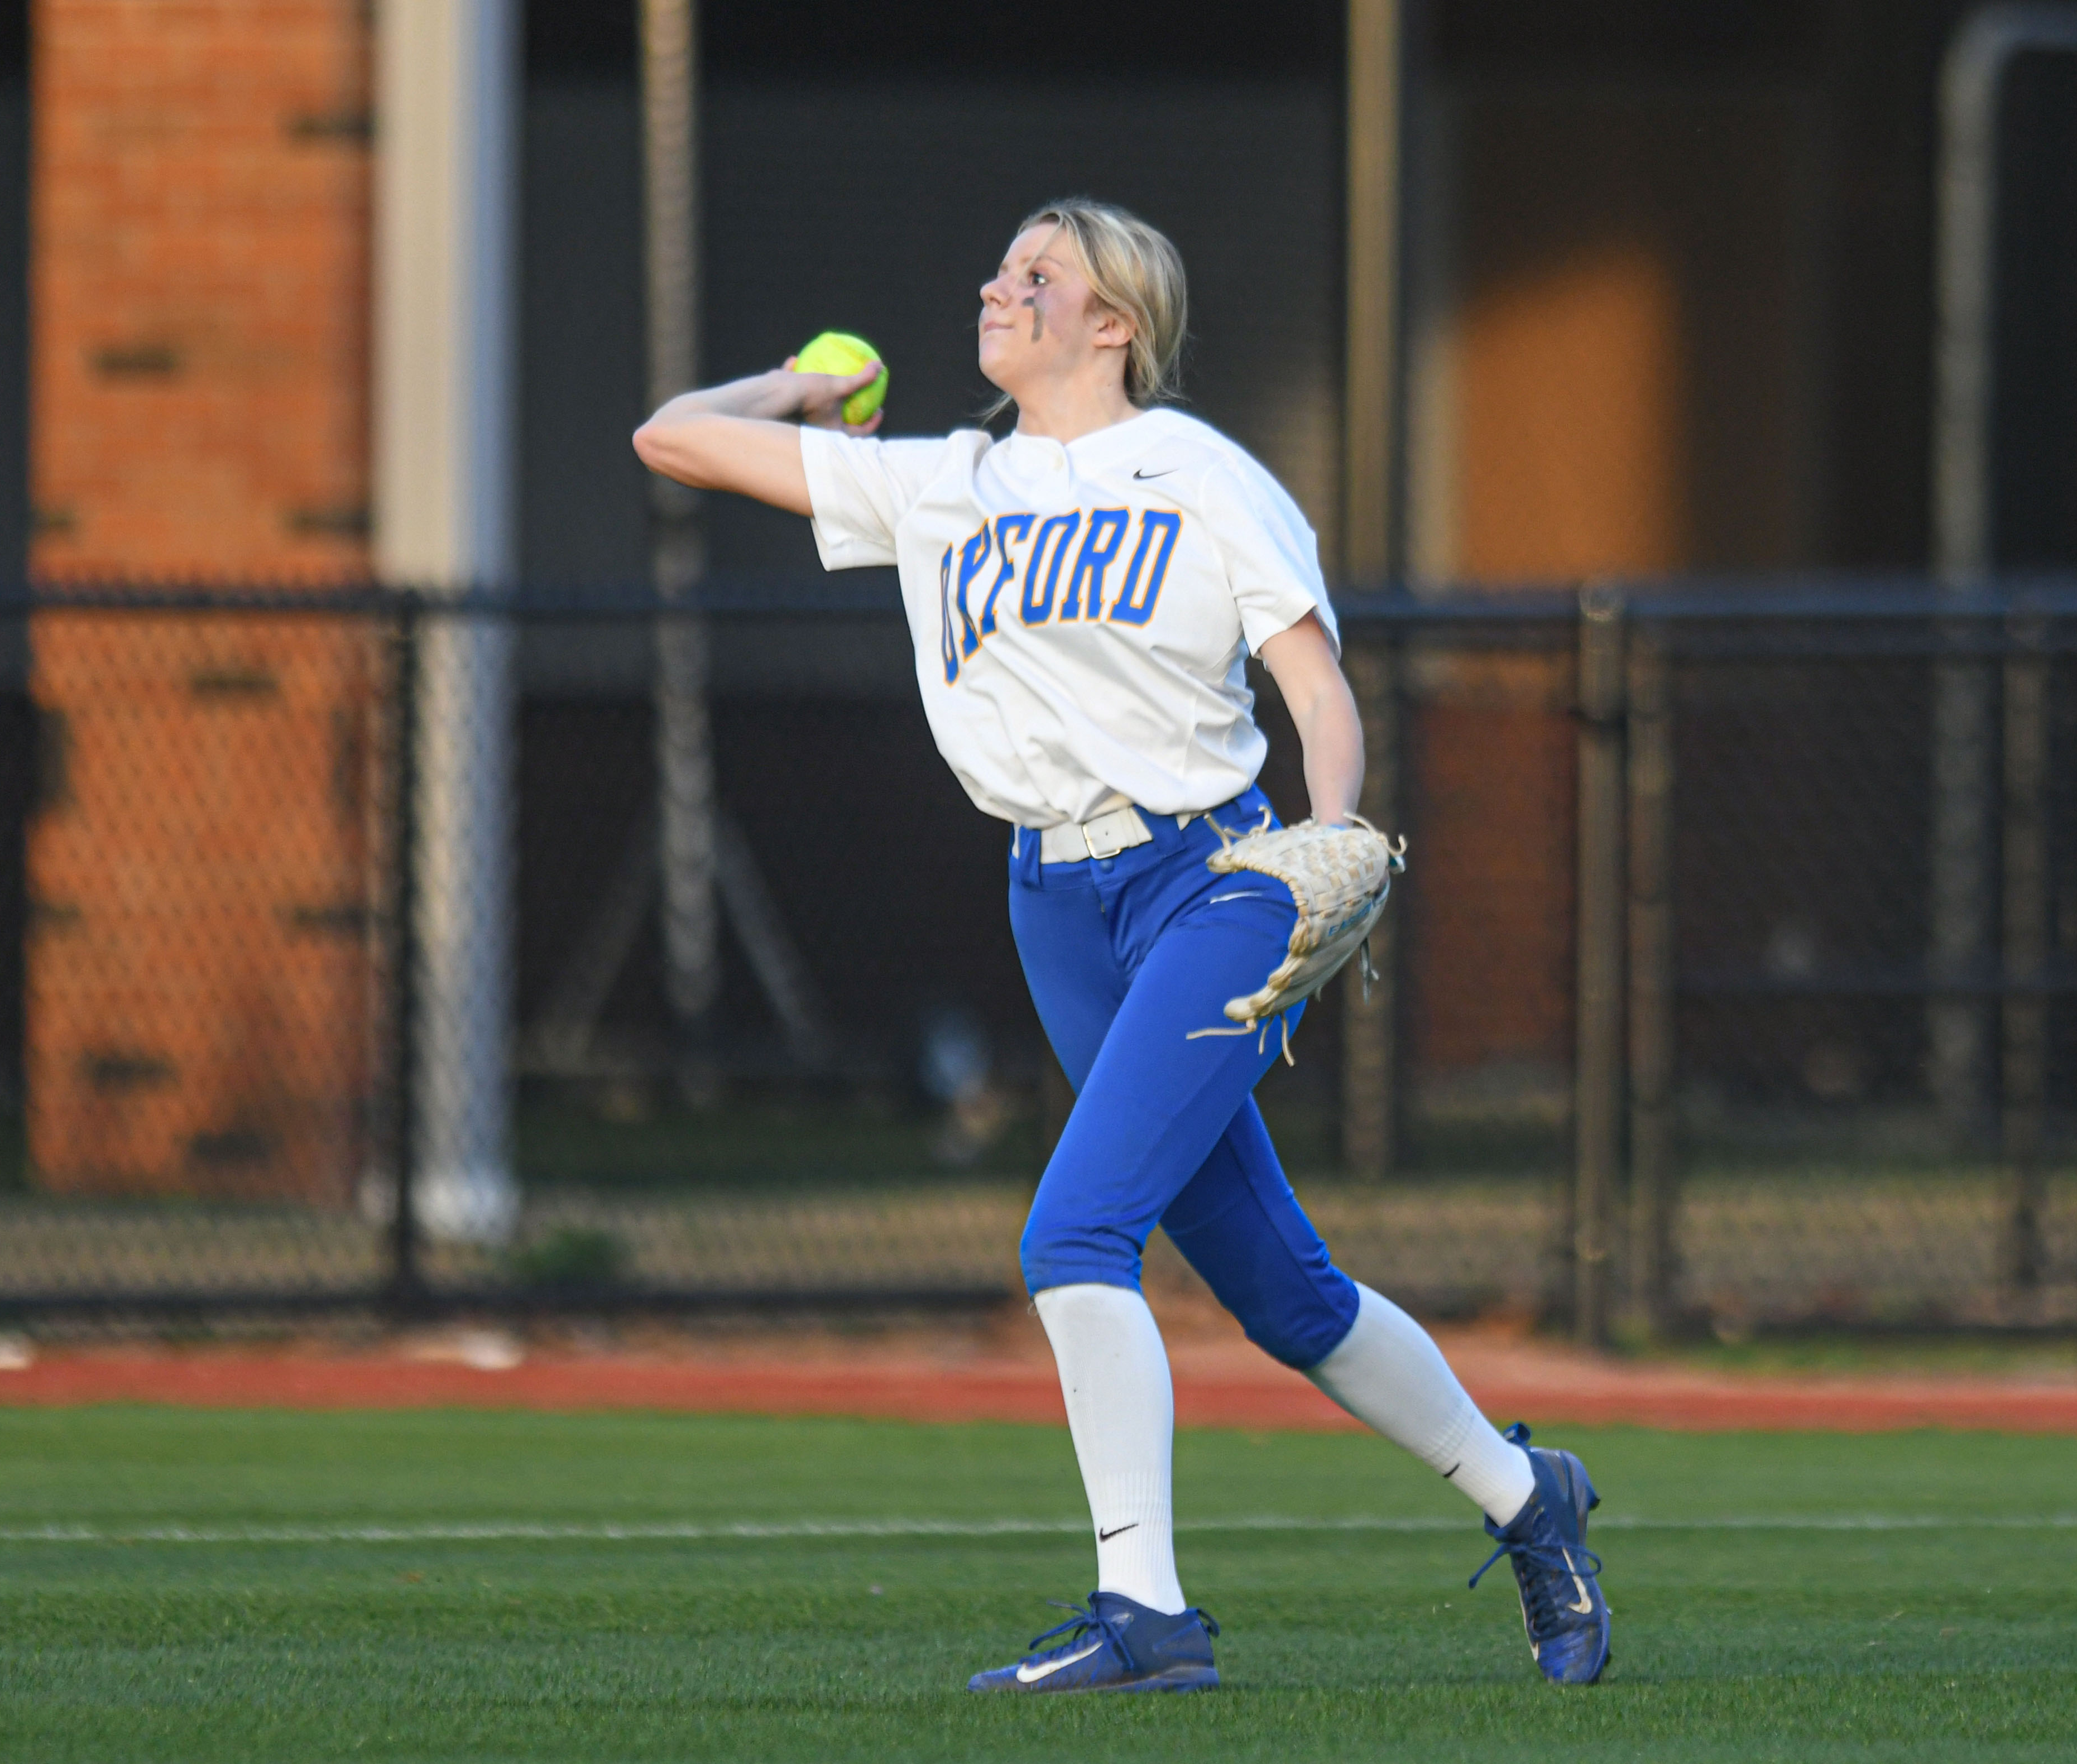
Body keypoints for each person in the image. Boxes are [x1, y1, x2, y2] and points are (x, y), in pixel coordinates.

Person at [633, 198, 1609, 1693]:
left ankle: (1145, 1614)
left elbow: (1318, 687)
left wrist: (1326, 841)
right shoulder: (940, 482)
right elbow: (672, 439)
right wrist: (800, 388)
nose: (1000, 286)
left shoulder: (1201, 473)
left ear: (1115, 325)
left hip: (1208, 881)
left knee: (1072, 1231)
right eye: (1001, 266)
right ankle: (1527, 1494)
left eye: (1043, 273)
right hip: (1056, 906)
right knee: (1284, 1293)